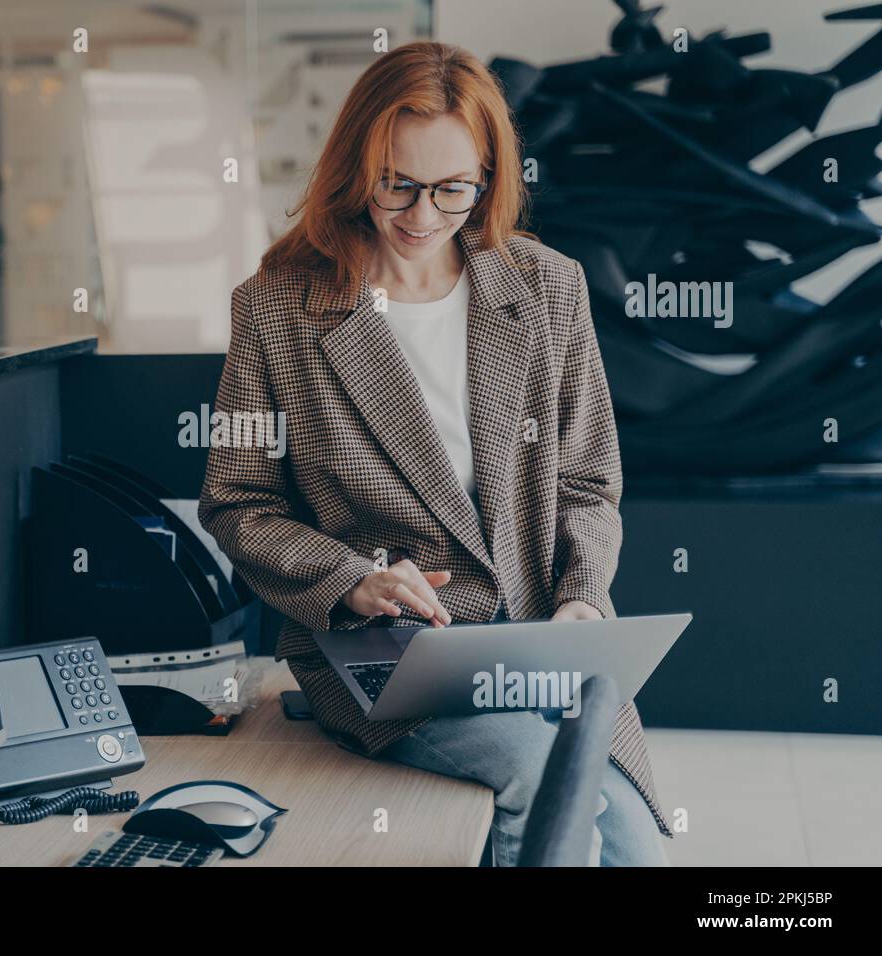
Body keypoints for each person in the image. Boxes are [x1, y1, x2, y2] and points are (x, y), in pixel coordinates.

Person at [198, 41, 670, 865]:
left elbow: (590, 482)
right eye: (398, 185)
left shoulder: (547, 286)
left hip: (539, 639)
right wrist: (353, 580)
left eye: (453, 189)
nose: (421, 217)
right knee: (549, 783)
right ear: (356, 168)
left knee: (636, 849)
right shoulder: (275, 308)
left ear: (490, 177)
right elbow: (239, 502)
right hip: (390, 652)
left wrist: (584, 600)